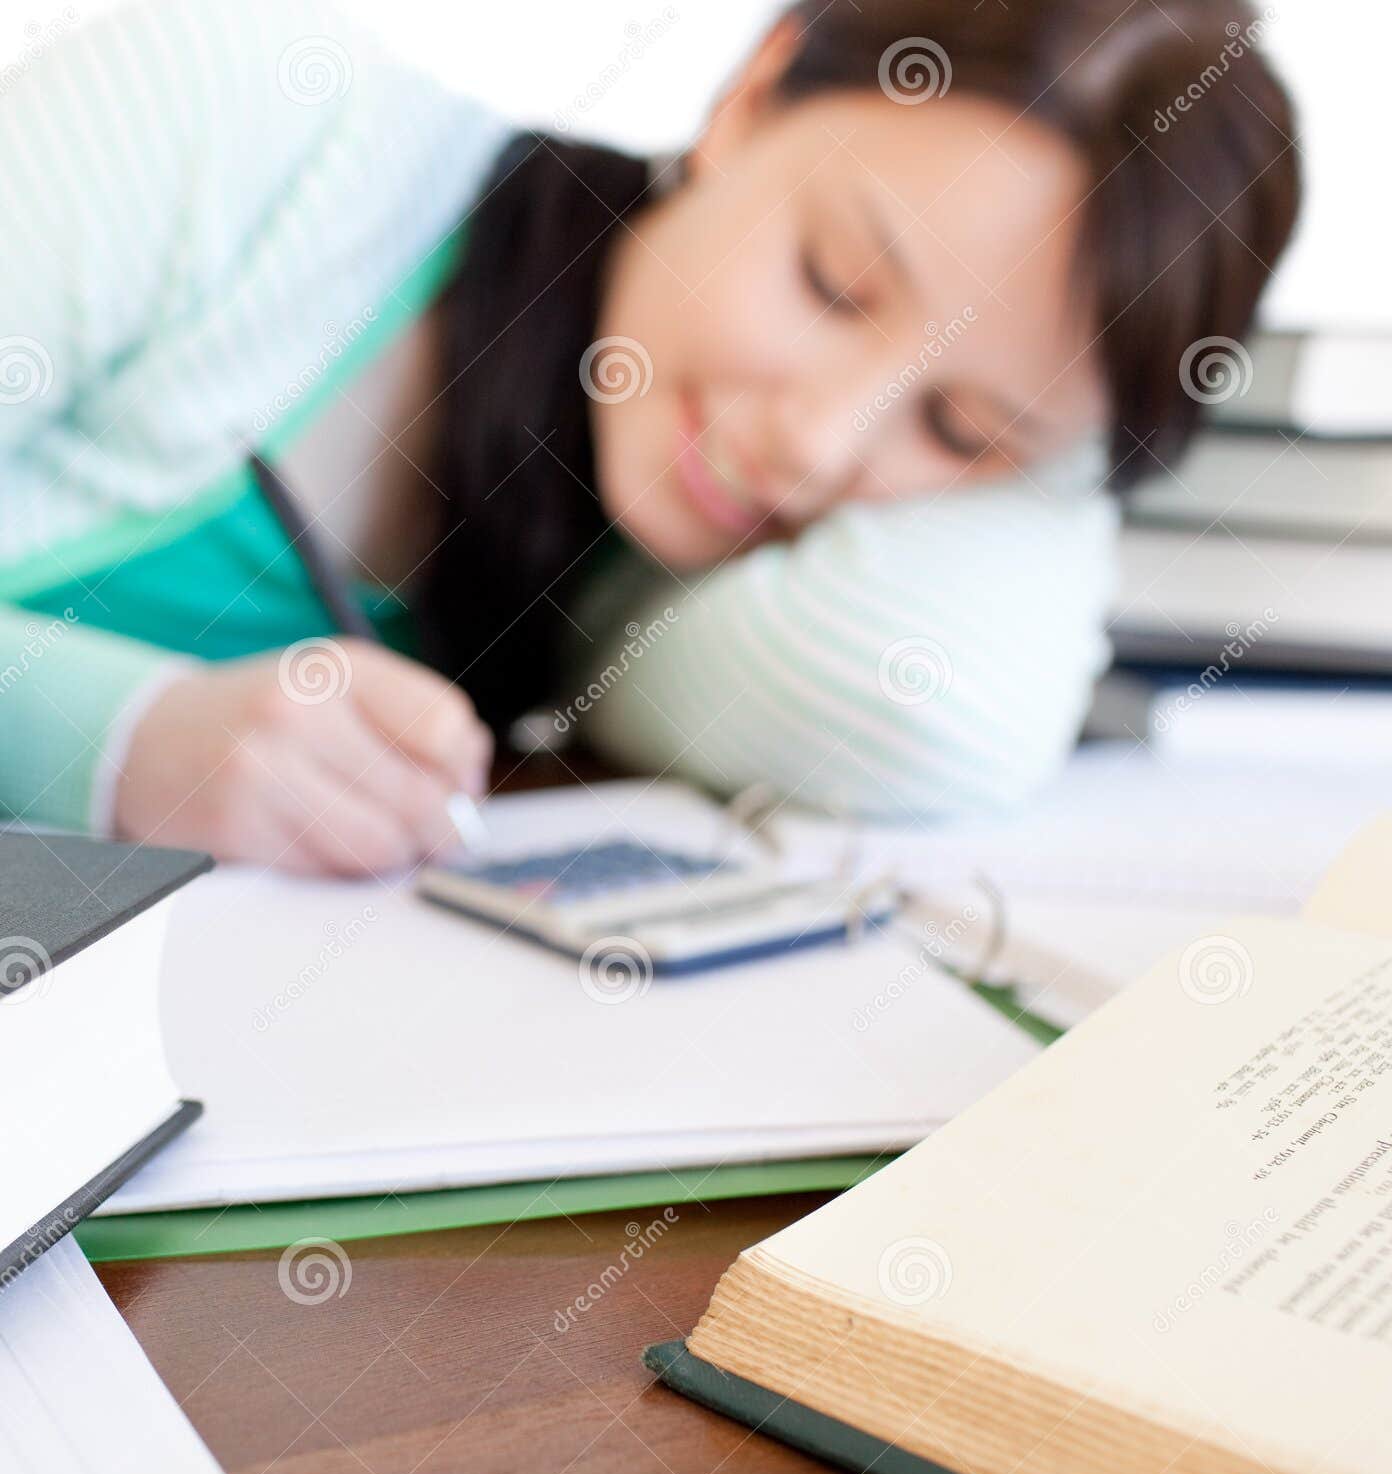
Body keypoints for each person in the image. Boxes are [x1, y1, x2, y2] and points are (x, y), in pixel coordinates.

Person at [0, 0, 1298, 874]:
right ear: (754, 93)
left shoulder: (677, 591)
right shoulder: (249, 125)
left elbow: (948, 707)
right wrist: (119, 742)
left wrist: (1080, 435)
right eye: (834, 283)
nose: (813, 445)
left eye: (958, 431)